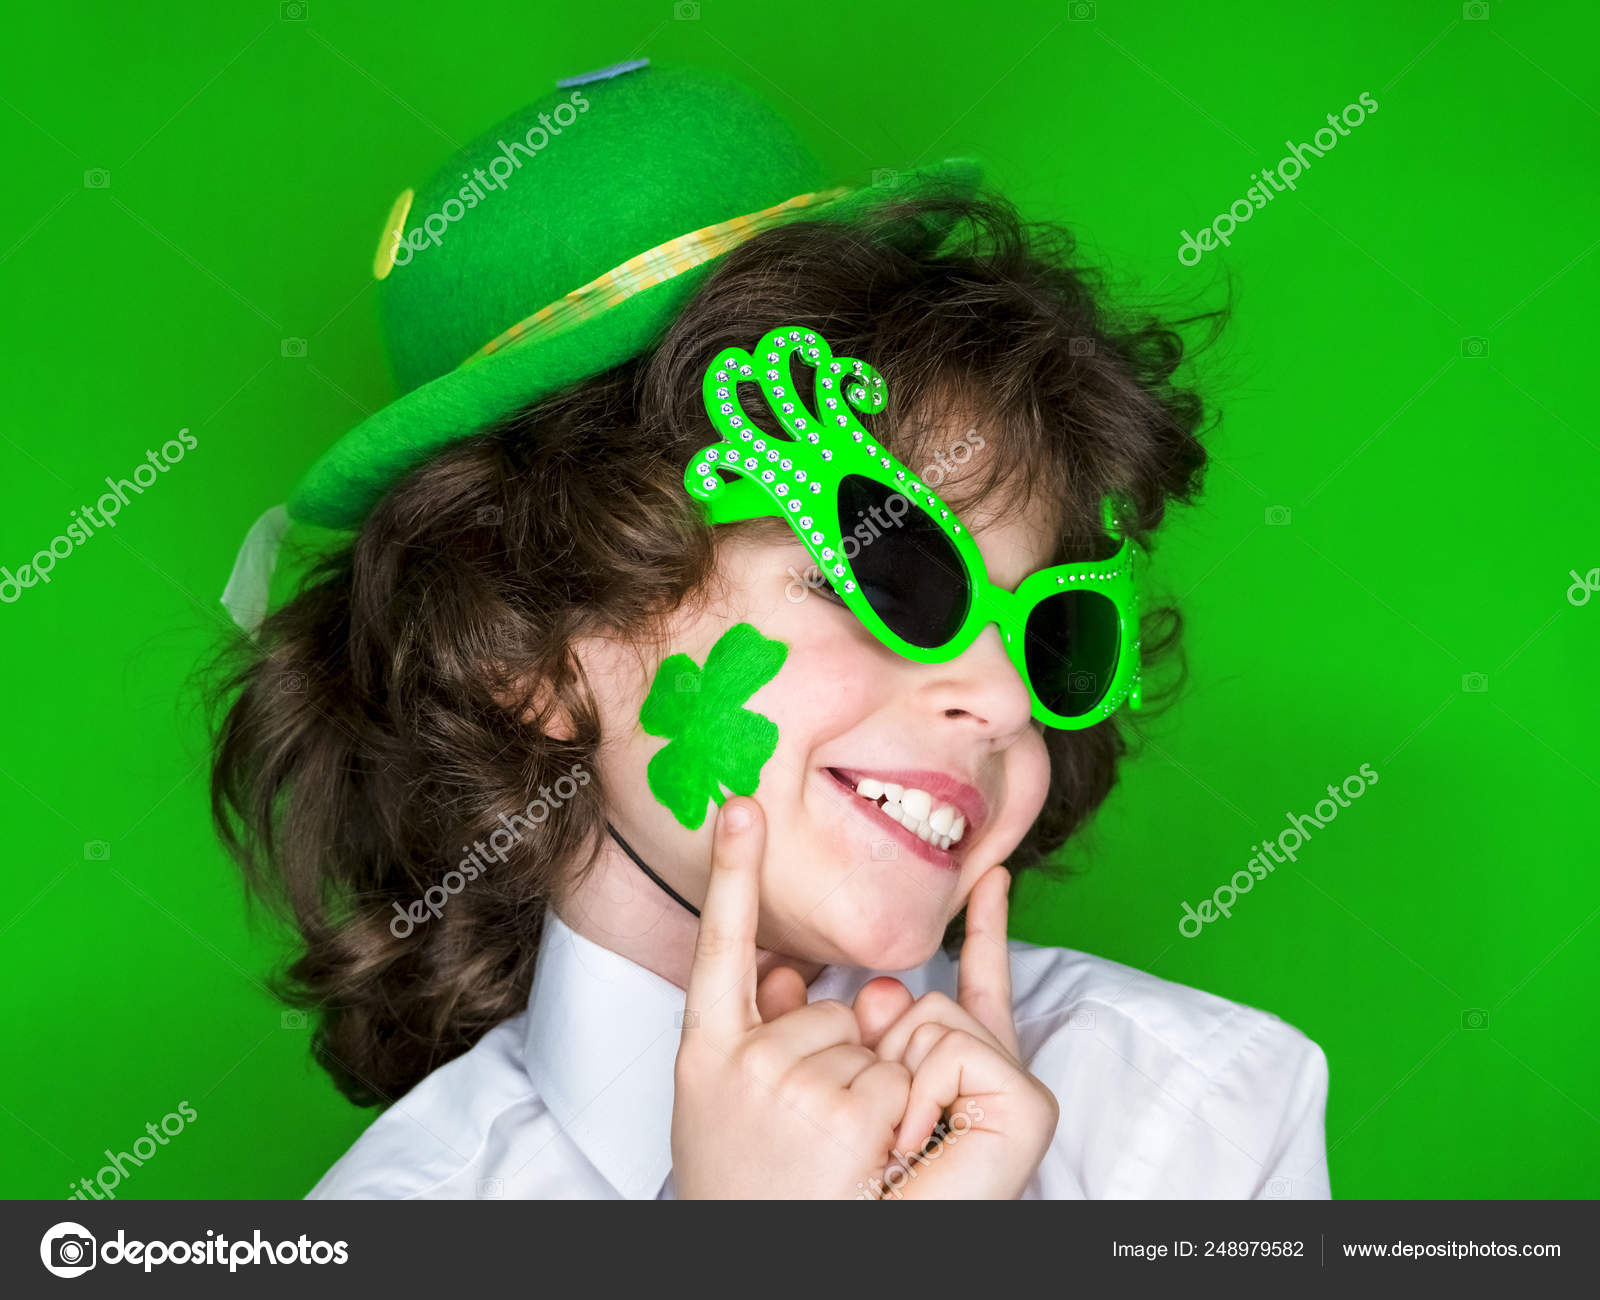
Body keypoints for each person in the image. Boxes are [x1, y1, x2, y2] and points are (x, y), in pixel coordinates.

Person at [210, 60, 1328, 1200]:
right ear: (521, 649)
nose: (1002, 699)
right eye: (887, 571)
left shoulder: (1196, 1114)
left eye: (1055, 632)